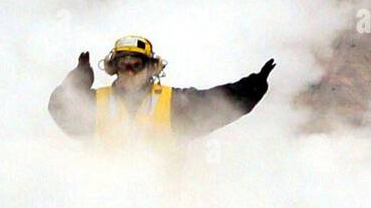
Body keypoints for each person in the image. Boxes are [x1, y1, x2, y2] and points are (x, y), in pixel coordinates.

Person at [48, 34, 275, 144]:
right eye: (123, 64)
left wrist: (253, 86)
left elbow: (220, 104)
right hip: (107, 205)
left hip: (162, 207)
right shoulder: (97, 103)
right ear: (113, 68)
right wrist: (77, 81)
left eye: (136, 65)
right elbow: (62, 111)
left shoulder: (174, 103)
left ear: (150, 68)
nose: (129, 71)